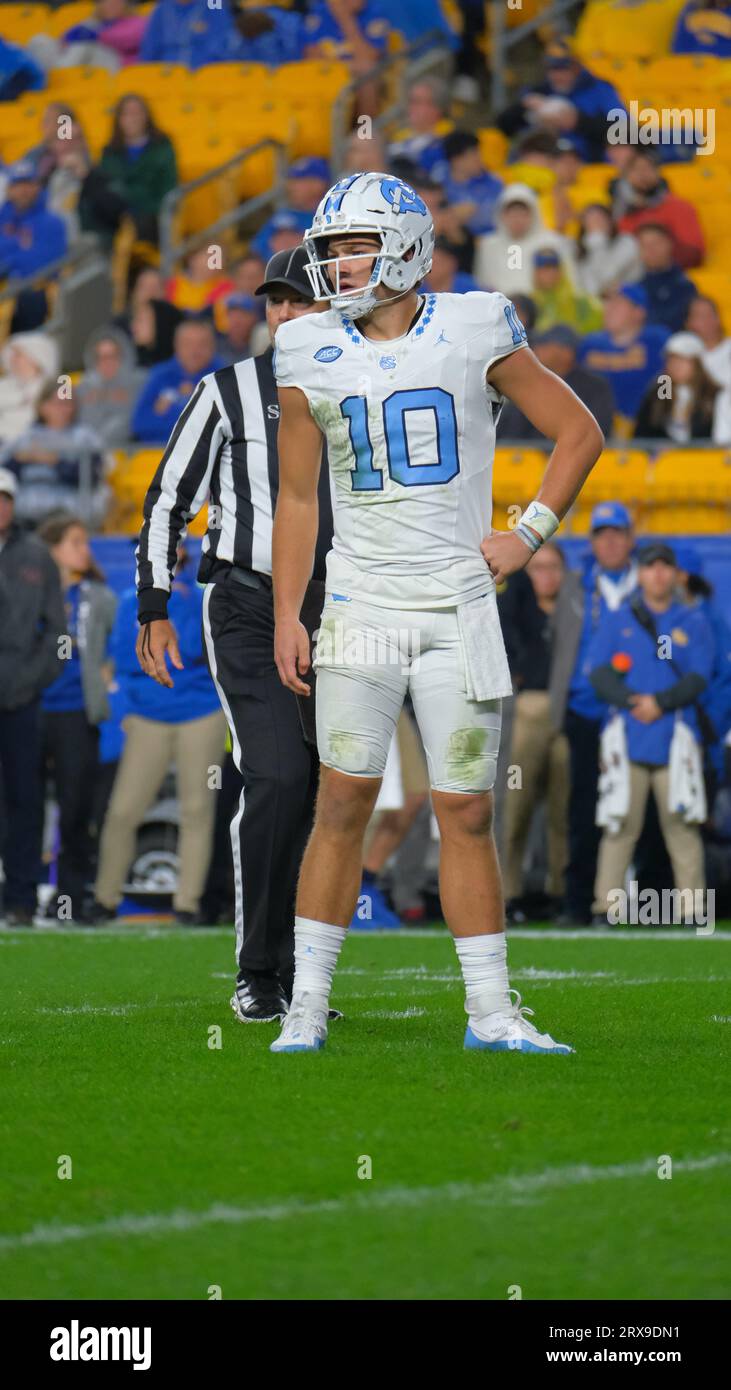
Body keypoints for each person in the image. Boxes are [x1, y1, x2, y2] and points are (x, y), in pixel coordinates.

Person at [268, 169, 603, 1054]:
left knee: (463, 811)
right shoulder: (303, 347)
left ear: (407, 244)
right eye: (331, 249)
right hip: (359, 603)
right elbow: (297, 500)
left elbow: (579, 430)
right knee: (341, 800)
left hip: (455, 604)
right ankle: (305, 1005)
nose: (338, 265)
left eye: (354, 246)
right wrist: (284, 614)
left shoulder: (473, 322)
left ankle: (491, 1012)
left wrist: (527, 534)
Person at [134, 246, 337, 1019]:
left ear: (330, 310)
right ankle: (258, 971)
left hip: (342, 607)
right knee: (279, 774)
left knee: (329, 789)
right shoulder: (225, 391)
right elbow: (165, 501)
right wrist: (154, 604)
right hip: (249, 602)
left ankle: (303, 975)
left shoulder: (358, 386)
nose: (283, 315)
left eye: (300, 301)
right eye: (274, 302)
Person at [90, 546, 226, 925]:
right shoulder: (126, 602)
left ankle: (188, 903)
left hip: (200, 712)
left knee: (197, 809)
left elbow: (197, 650)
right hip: (148, 713)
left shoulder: (200, 598)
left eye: (178, 555)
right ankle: (105, 898)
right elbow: (121, 654)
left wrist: (179, 604)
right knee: (123, 810)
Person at [588, 543, 714, 922]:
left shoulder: (692, 621)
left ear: (675, 574)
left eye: (664, 567)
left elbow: (699, 676)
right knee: (620, 821)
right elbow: (598, 672)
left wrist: (659, 702)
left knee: (682, 822)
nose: (657, 574)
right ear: (639, 574)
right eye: (650, 567)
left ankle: (692, 908)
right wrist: (633, 701)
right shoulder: (619, 618)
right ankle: (606, 907)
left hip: (675, 735)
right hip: (628, 734)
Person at [548, 502, 638, 925]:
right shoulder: (576, 586)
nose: (610, 541)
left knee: (640, 808)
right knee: (581, 806)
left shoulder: (649, 583)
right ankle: (577, 899)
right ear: (593, 542)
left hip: (637, 711)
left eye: (617, 533)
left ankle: (643, 900)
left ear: (630, 539)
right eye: (602, 534)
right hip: (584, 709)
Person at [37, 515, 117, 924]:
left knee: (74, 811)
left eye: (85, 542)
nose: (84, 550)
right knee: (23, 807)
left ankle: (68, 900)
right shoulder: (29, 592)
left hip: (74, 712)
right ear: (51, 550)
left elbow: (119, 642)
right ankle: (18, 895)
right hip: (30, 709)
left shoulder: (99, 597)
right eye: (74, 543)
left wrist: (108, 674)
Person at [0, 468, 65, 927]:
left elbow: (57, 631)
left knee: (26, 797)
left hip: (21, 697)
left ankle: (21, 897)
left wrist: (31, 679)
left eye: (4, 498)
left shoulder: (36, 555)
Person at [499, 543, 569, 921]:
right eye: (538, 567)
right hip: (526, 708)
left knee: (563, 807)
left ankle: (560, 890)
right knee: (515, 804)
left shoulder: (574, 613)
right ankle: (508, 893)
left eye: (553, 567)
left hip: (566, 712)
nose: (546, 575)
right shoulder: (517, 612)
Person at [495, 37, 625, 164]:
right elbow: (503, 126)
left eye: (563, 68)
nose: (557, 75)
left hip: (586, 164)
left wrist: (578, 122)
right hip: (542, 163)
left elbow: (623, 130)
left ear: (576, 66)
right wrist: (522, 108)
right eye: (552, 69)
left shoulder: (599, 89)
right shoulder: (540, 91)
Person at [1, 384, 109, 529]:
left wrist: (54, 461)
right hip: (26, 514)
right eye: (57, 404)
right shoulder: (25, 436)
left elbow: (92, 475)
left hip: (71, 511)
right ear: (42, 406)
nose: (63, 410)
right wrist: (19, 460)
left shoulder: (85, 437)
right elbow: (5, 476)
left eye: (68, 404)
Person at [498, 325, 614, 440]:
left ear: (567, 353)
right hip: (521, 456)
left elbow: (594, 432)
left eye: (545, 345)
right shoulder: (529, 384)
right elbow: (506, 430)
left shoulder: (594, 387)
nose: (536, 349)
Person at [579, 285, 669, 428]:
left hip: (645, 430)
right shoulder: (589, 344)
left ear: (639, 312)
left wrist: (663, 414)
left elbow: (668, 380)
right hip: (595, 428)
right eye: (608, 303)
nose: (609, 309)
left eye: (618, 304)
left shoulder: (657, 341)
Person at [94, 94, 177, 243]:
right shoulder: (110, 151)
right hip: (115, 214)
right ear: (119, 119)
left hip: (150, 215)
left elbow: (168, 187)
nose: (133, 118)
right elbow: (104, 185)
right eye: (126, 113)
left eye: (137, 112)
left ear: (146, 116)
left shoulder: (162, 147)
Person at [131, 319, 223, 442]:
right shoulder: (159, 374)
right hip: (158, 453)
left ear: (213, 347)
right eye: (188, 344)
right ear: (176, 346)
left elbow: (223, 428)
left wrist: (169, 410)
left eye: (202, 344)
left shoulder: (224, 375)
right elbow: (140, 424)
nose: (194, 351)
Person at [474, 184, 574, 296]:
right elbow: (482, 283)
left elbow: (571, 282)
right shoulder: (488, 245)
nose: (517, 219)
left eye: (523, 213)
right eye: (512, 213)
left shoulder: (553, 242)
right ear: (501, 215)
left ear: (534, 213)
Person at [612, 151, 704, 270]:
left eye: (647, 168)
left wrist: (656, 259)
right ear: (626, 177)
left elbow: (694, 251)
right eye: (635, 169)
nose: (642, 174)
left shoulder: (680, 207)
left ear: (658, 173)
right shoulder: (621, 213)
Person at [633, 332, 718, 442]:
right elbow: (642, 434)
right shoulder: (658, 394)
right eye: (671, 360)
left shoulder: (713, 395)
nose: (676, 365)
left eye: (682, 360)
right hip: (663, 458)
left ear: (698, 364)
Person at [76, 327, 145, 448]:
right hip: (86, 454)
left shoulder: (139, 383)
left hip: (125, 452)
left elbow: (131, 422)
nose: (107, 362)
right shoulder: (85, 387)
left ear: (123, 356)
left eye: (112, 356)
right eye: (101, 357)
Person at [250, 158, 330, 262]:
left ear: (318, 185)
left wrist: (299, 245)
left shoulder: (330, 215)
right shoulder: (282, 214)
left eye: (299, 181)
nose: (291, 187)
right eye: (291, 181)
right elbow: (256, 249)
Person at [0, 159, 68, 282]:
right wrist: (19, 246)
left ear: (38, 187)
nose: (23, 190)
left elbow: (42, 264)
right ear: (9, 190)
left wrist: (7, 264)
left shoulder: (52, 223)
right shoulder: (2, 219)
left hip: (34, 292)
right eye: (18, 185)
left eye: (28, 184)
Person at [438, 130, 503, 237]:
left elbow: (500, 217)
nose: (479, 159)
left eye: (478, 153)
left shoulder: (494, 183)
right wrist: (451, 214)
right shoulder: (438, 182)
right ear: (456, 160)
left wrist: (476, 214)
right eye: (472, 155)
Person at [635, 224, 698, 334]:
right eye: (644, 245)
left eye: (656, 243)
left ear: (669, 244)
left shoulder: (684, 285)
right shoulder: (632, 283)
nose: (650, 250)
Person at [387, 78, 453, 181]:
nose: (411, 107)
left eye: (417, 102)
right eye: (411, 101)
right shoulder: (399, 137)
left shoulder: (448, 139)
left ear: (437, 107)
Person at [686, 295, 731, 444]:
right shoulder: (682, 355)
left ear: (718, 319)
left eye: (706, 315)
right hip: (689, 427)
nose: (702, 321)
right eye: (696, 316)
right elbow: (664, 390)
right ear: (688, 323)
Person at [0, 332, 59, 445]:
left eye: (18, 354)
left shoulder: (52, 389)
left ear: (36, 357)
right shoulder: (4, 385)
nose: (12, 359)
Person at [574, 204, 643, 299]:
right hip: (598, 303)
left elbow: (608, 276)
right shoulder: (582, 251)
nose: (596, 224)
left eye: (600, 219)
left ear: (610, 221)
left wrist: (597, 240)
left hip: (628, 298)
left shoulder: (626, 242)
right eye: (591, 221)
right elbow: (589, 287)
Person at [530, 247, 603, 336]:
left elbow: (595, 329)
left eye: (553, 268)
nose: (549, 273)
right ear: (536, 273)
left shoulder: (580, 300)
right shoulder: (530, 303)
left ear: (561, 271)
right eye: (543, 268)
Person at [140, 0, 233, 68]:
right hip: (166, 76)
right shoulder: (162, 8)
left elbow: (222, 48)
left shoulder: (214, 4)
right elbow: (149, 52)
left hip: (204, 76)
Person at [63, 0, 148, 66]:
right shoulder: (95, 22)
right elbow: (66, 40)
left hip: (122, 65)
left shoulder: (137, 21)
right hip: (93, 65)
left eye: (116, 3)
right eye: (108, 3)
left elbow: (131, 39)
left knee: (84, 48)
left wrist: (99, 36)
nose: (113, 6)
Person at [164, 243, 234, 317]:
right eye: (211, 255)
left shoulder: (227, 287)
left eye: (221, 257)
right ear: (192, 258)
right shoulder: (173, 284)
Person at [0, 37, 45, 103]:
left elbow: (9, 72)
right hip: (30, 76)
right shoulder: (9, 46)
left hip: (29, 76)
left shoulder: (5, 50)